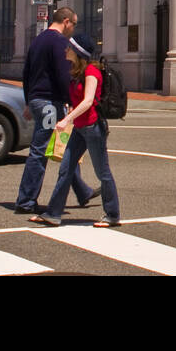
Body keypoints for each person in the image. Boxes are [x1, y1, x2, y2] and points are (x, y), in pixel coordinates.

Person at [31, 33, 120, 227]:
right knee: (66, 169)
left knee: (102, 172)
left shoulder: (91, 72)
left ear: (78, 52)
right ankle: (53, 213)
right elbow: (78, 100)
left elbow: (88, 101)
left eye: (69, 48)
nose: (66, 50)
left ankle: (112, 214)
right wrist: (71, 110)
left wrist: (66, 120)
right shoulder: (77, 72)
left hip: (93, 128)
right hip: (80, 128)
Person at [14, 8, 95, 214]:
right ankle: (26, 200)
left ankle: (82, 190)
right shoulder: (59, 42)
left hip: (37, 99)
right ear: (66, 21)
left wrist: (28, 101)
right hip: (50, 103)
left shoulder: (38, 40)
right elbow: (63, 75)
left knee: (67, 145)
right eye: (74, 24)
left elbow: (26, 72)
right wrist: (70, 100)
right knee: (41, 150)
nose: (73, 29)